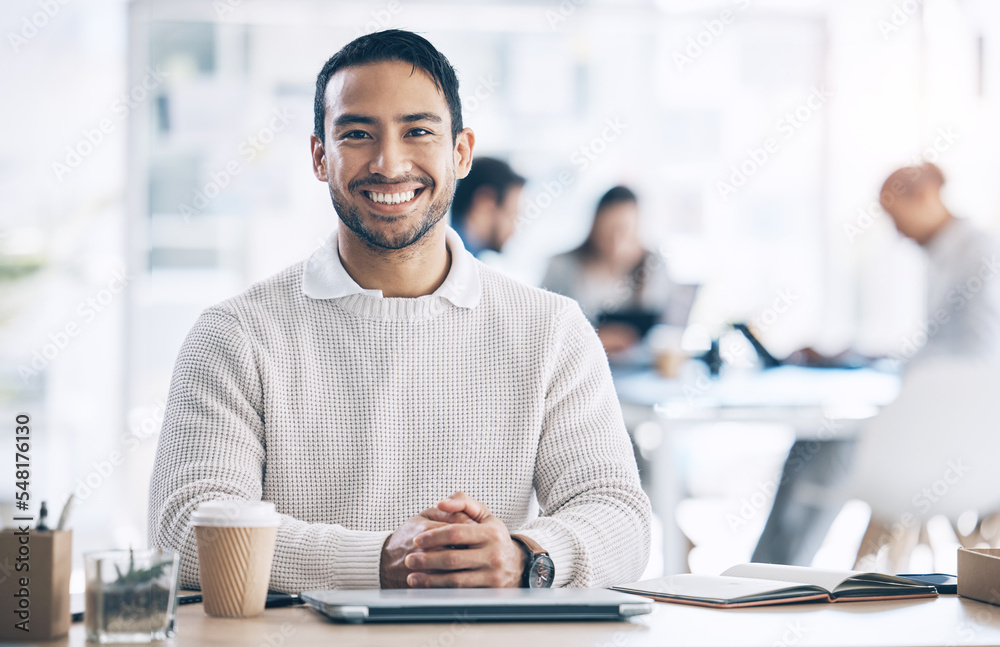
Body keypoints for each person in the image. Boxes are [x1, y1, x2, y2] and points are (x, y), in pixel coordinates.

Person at [147, 30, 650, 594]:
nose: (389, 163)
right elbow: (185, 526)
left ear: (460, 153)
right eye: (358, 134)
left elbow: (619, 517)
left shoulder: (551, 331)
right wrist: (381, 561)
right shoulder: (235, 334)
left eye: (418, 131)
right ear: (320, 156)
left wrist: (525, 557)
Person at [880, 162, 1000, 362]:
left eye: (897, 219)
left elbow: (983, 354)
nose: (898, 232)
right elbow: (941, 345)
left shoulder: (982, 254)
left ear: (924, 196)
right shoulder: (939, 257)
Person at [542, 186, 677, 354]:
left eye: (625, 230)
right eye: (609, 230)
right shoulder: (561, 265)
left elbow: (668, 321)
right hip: (579, 363)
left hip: (639, 364)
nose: (616, 242)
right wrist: (594, 340)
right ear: (595, 227)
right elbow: (543, 329)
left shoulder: (653, 263)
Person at [450, 157, 525, 258]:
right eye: (512, 216)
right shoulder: (450, 258)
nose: (514, 231)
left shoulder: (467, 257)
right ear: (485, 203)